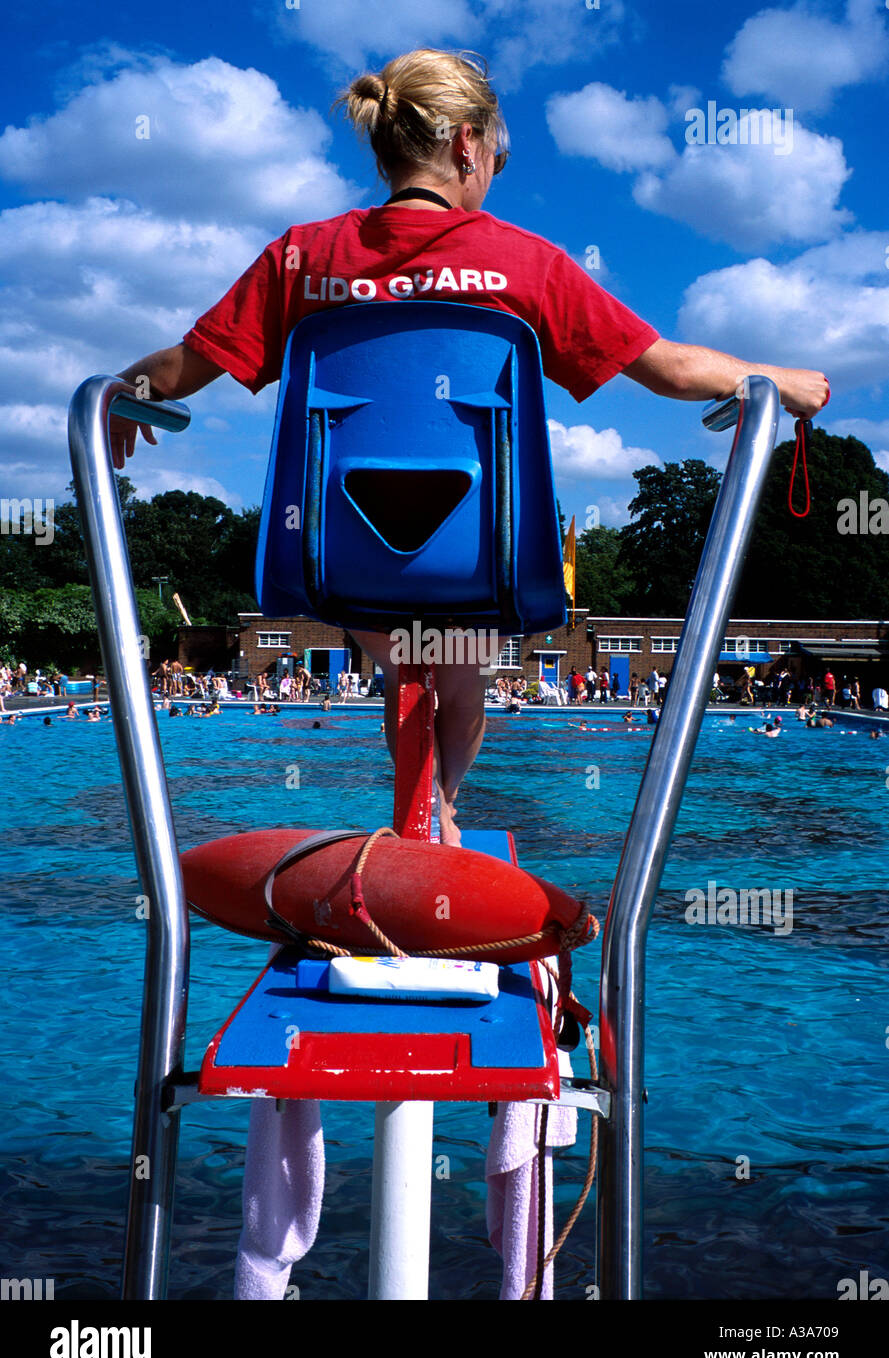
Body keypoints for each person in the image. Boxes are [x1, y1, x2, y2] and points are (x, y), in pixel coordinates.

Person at [108, 48, 829, 846]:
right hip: (481, 558)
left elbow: (182, 367)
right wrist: (775, 379)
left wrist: (115, 396)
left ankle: (417, 812)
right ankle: (442, 807)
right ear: (465, 145)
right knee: (458, 660)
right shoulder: (529, 265)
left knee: (399, 652)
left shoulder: (302, 257)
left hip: (336, 553)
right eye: (498, 157)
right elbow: (669, 370)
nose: (496, 173)